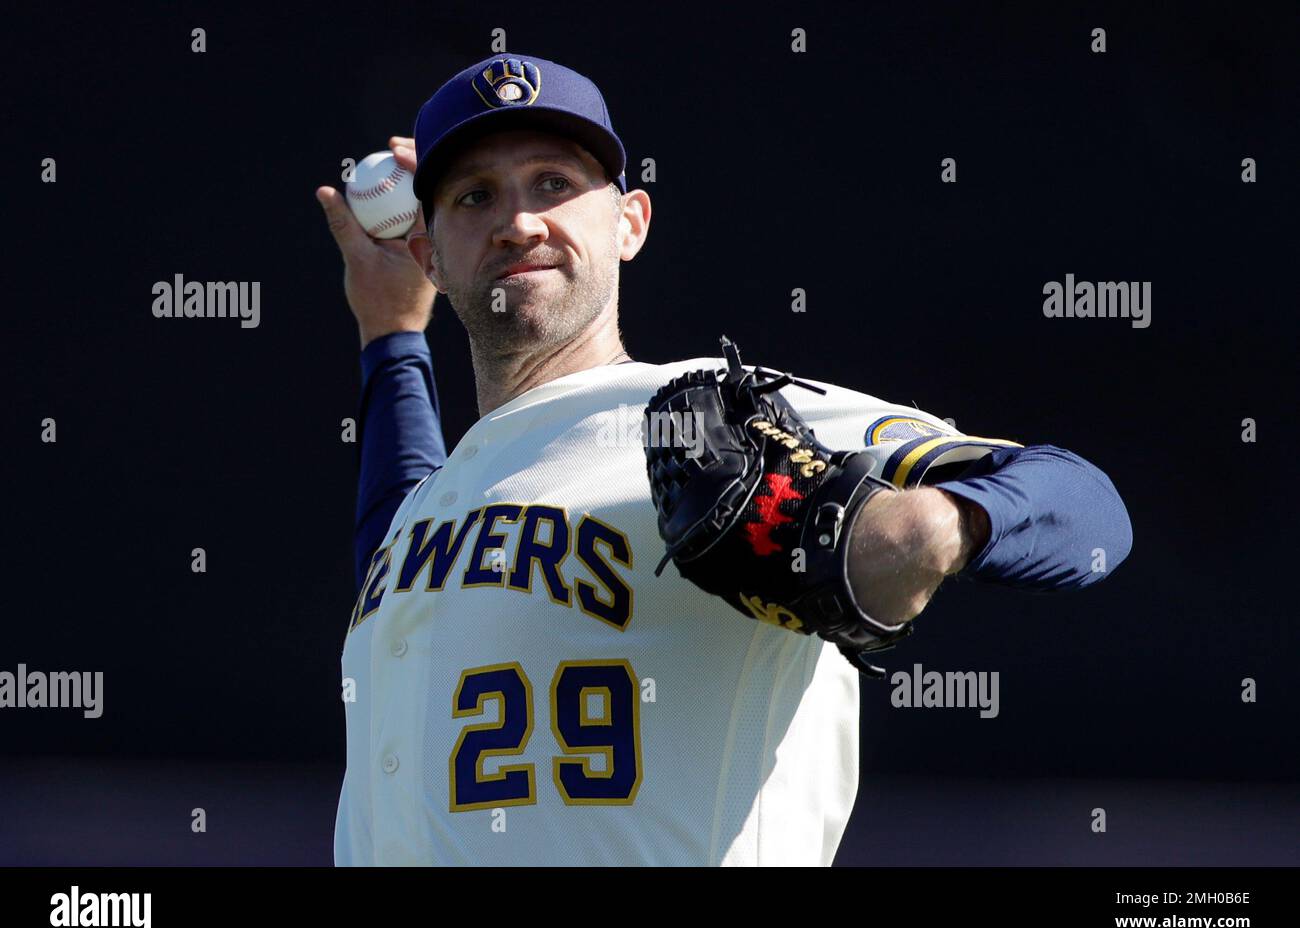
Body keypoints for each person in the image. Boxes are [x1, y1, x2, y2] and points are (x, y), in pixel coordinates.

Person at [315, 54, 1132, 865]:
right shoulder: (432, 511)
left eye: (555, 184)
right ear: (429, 255)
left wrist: (933, 523)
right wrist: (391, 339)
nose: (519, 221)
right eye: (475, 196)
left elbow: (1087, 504)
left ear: (630, 222)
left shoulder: (707, 418)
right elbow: (400, 536)